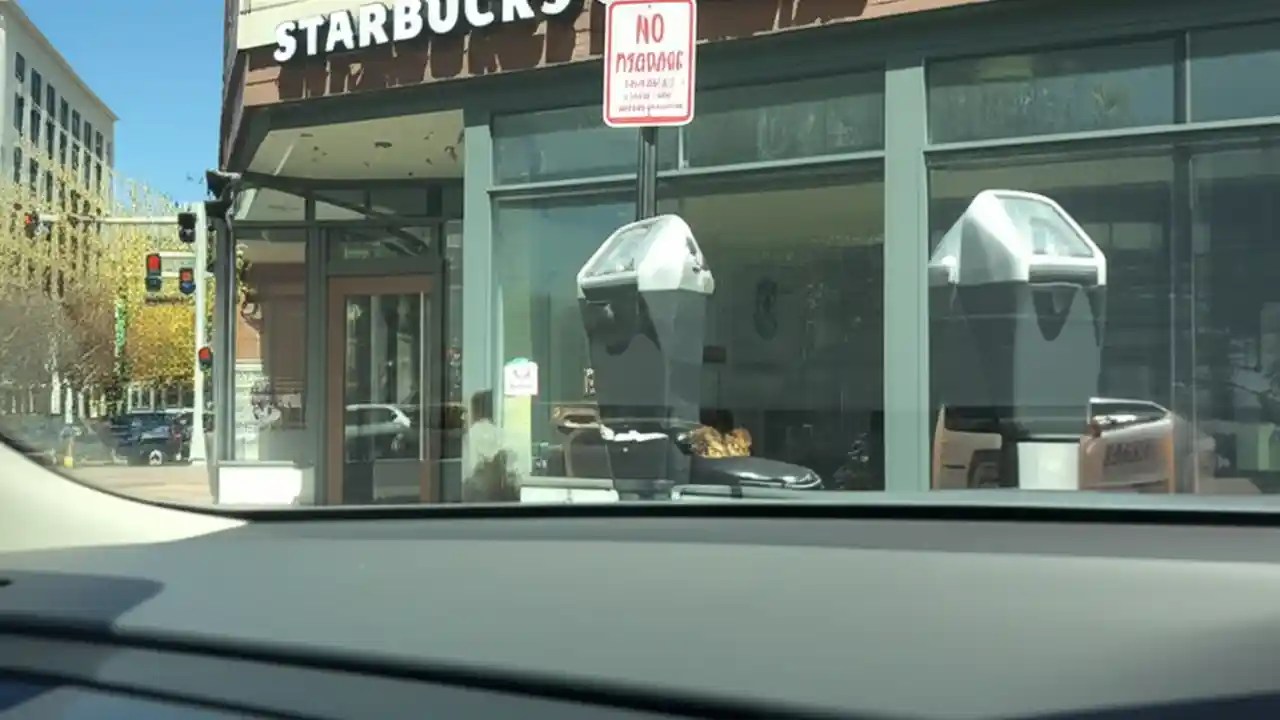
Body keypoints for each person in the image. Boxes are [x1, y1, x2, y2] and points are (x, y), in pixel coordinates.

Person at [461, 390, 521, 502]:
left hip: (480, 495)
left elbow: (470, 468)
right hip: (500, 494)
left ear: (475, 410)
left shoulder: (472, 434)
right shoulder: (501, 433)